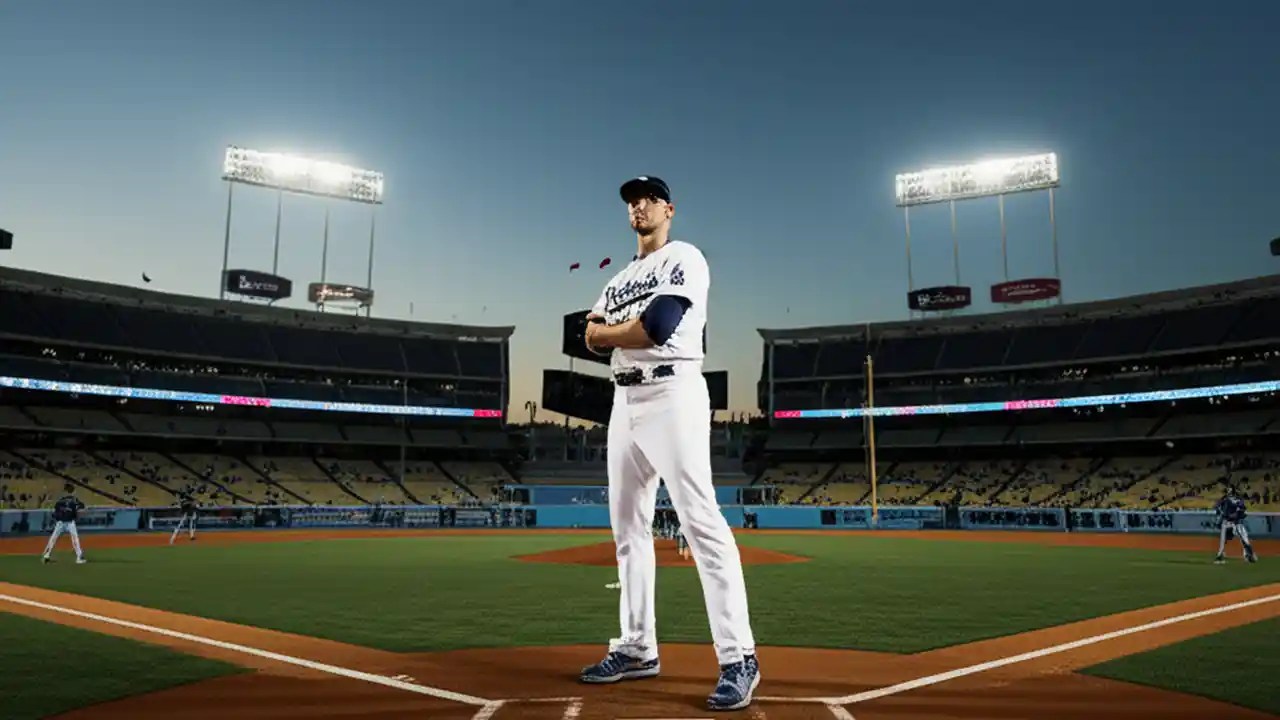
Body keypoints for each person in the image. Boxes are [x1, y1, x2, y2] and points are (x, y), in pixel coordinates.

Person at [578, 175, 760, 711]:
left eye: (648, 199)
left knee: (700, 521)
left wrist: (611, 332)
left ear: (669, 209)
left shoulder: (684, 257)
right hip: (624, 403)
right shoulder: (619, 279)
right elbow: (585, 336)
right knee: (627, 531)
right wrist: (612, 331)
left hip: (673, 393)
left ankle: (738, 657)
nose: (639, 206)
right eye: (632, 201)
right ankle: (637, 648)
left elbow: (657, 327)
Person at [42, 484, 87, 564]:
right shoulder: (74, 500)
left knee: (53, 539)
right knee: (75, 539)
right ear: (73, 491)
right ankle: (79, 558)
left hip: (61, 522)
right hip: (70, 522)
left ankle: (46, 556)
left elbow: (55, 512)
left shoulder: (60, 500)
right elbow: (82, 507)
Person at [1214, 487, 1257, 564]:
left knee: (1225, 540)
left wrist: (1222, 513)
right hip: (1232, 523)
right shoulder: (1233, 500)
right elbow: (1242, 511)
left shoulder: (1229, 500)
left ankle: (1220, 556)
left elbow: (1217, 507)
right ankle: (1248, 556)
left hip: (1230, 523)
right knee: (1243, 538)